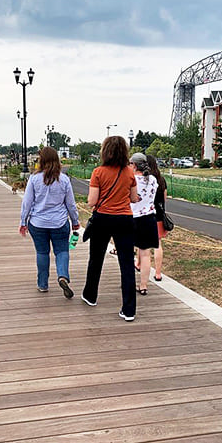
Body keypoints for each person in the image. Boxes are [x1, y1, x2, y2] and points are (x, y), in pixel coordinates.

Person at [82, 136, 139, 322]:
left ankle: (90, 295)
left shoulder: (98, 172)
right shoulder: (129, 172)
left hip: (102, 219)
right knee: (126, 264)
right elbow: (133, 198)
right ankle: (129, 309)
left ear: (105, 151)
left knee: (96, 259)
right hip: (124, 219)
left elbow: (91, 201)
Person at [19, 146, 80, 299]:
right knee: (62, 251)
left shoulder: (34, 178)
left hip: (37, 223)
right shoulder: (64, 179)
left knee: (42, 252)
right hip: (59, 222)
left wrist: (23, 221)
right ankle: (63, 276)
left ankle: (42, 284)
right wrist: (75, 221)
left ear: (41, 160)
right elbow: (71, 204)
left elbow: (27, 203)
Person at [129, 152, 159, 294]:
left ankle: (128, 281)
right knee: (145, 254)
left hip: (132, 217)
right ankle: (144, 285)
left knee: (128, 252)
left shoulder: (131, 179)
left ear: (134, 165)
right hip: (149, 217)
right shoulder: (152, 179)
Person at [136, 155, 168, 281]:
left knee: (142, 245)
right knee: (158, 244)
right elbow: (164, 198)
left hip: (145, 213)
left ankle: (138, 264)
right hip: (158, 214)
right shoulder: (160, 179)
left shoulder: (142, 179)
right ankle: (158, 273)